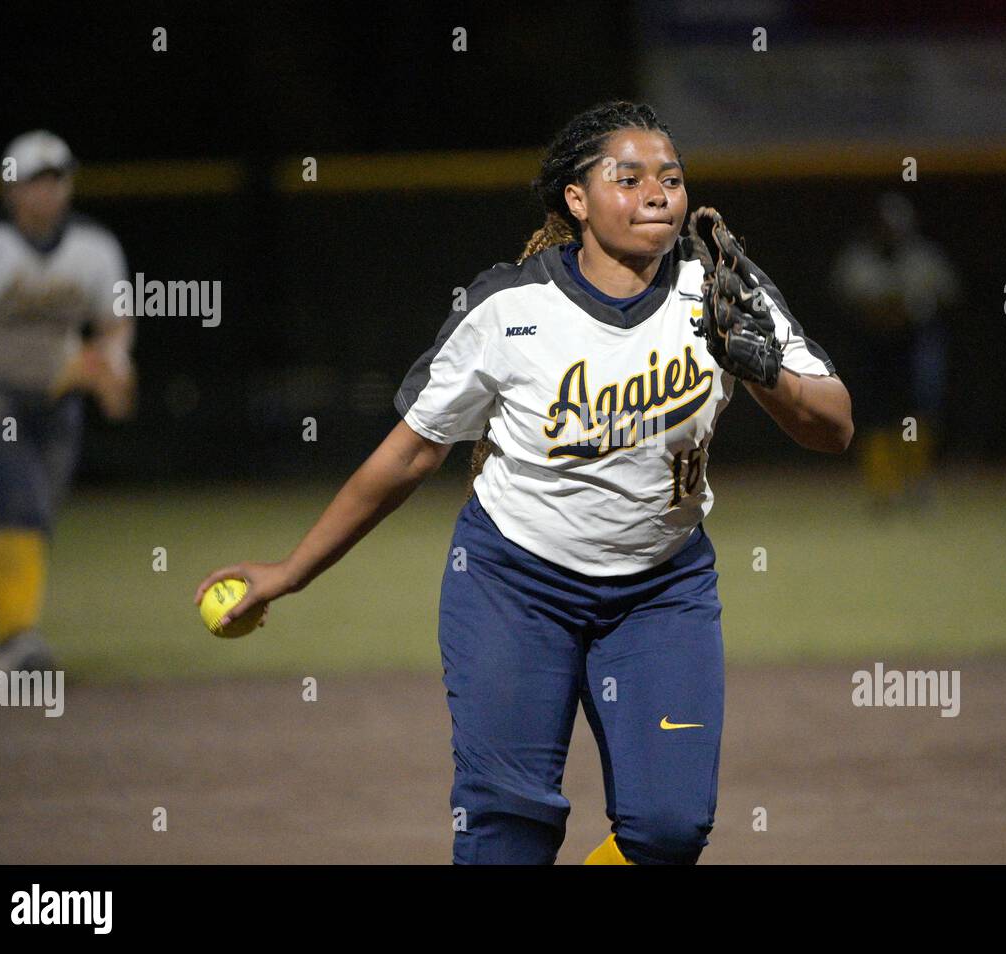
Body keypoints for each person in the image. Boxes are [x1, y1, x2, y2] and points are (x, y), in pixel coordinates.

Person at [194, 101, 852, 864]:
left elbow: (832, 427)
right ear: (577, 199)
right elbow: (409, 454)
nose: (657, 193)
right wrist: (289, 572)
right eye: (628, 177)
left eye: (670, 178)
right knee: (507, 834)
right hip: (513, 587)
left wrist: (764, 371)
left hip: (661, 592)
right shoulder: (510, 309)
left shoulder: (719, 291)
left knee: (669, 832)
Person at [0, 130, 137, 673]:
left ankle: (18, 637)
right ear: (10, 189)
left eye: (55, 179)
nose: (46, 192)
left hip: (58, 393)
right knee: (21, 501)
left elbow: (114, 323)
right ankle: (16, 641)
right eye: (33, 181)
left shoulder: (94, 245)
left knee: (38, 512)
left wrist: (114, 365)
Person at [829, 192, 958, 511]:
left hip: (913, 345)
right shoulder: (860, 259)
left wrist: (909, 307)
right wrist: (883, 309)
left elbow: (947, 294)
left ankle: (916, 484)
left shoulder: (922, 257)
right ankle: (883, 491)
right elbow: (847, 297)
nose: (891, 233)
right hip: (872, 347)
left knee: (916, 414)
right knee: (875, 417)